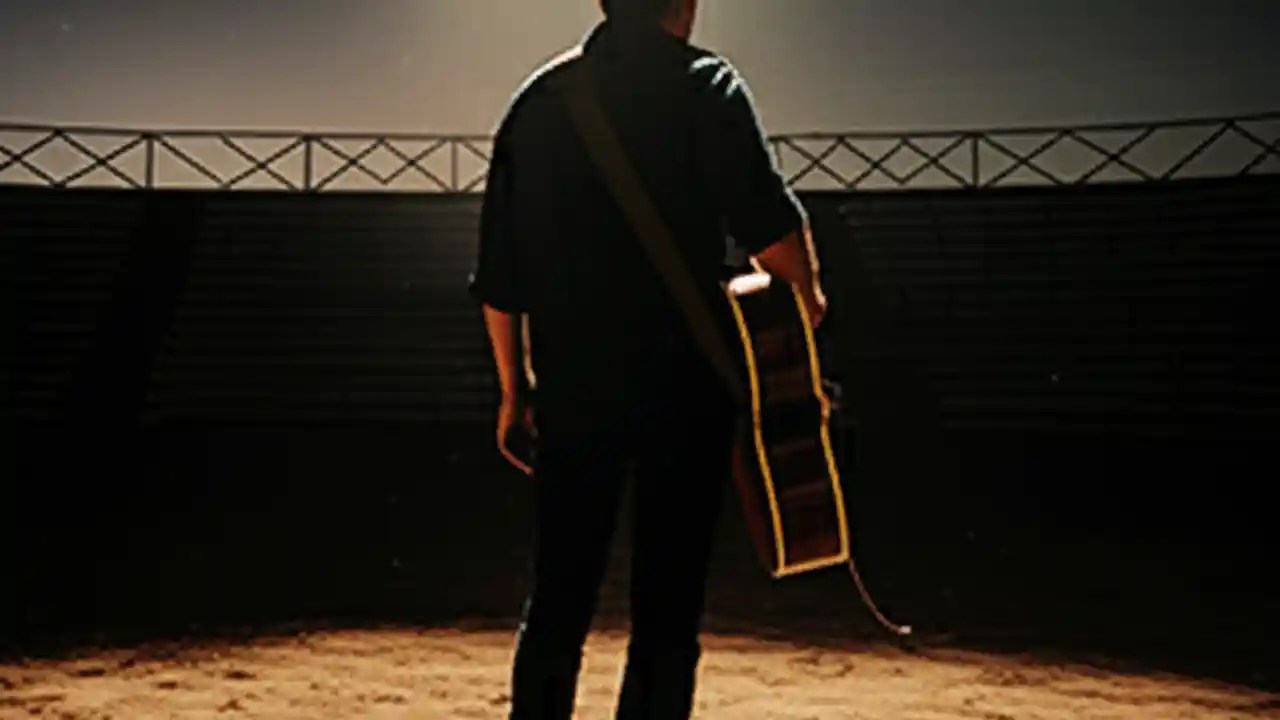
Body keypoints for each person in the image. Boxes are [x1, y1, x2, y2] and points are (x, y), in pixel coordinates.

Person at [468, 0, 827, 717]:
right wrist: (802, 300)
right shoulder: (706, 85)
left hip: (574, 389)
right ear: (685, 3)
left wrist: (516, 392)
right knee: (668, 611)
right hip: (683, 392)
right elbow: (783, 258)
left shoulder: (538, 103)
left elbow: (501, 278)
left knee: (559, 602)